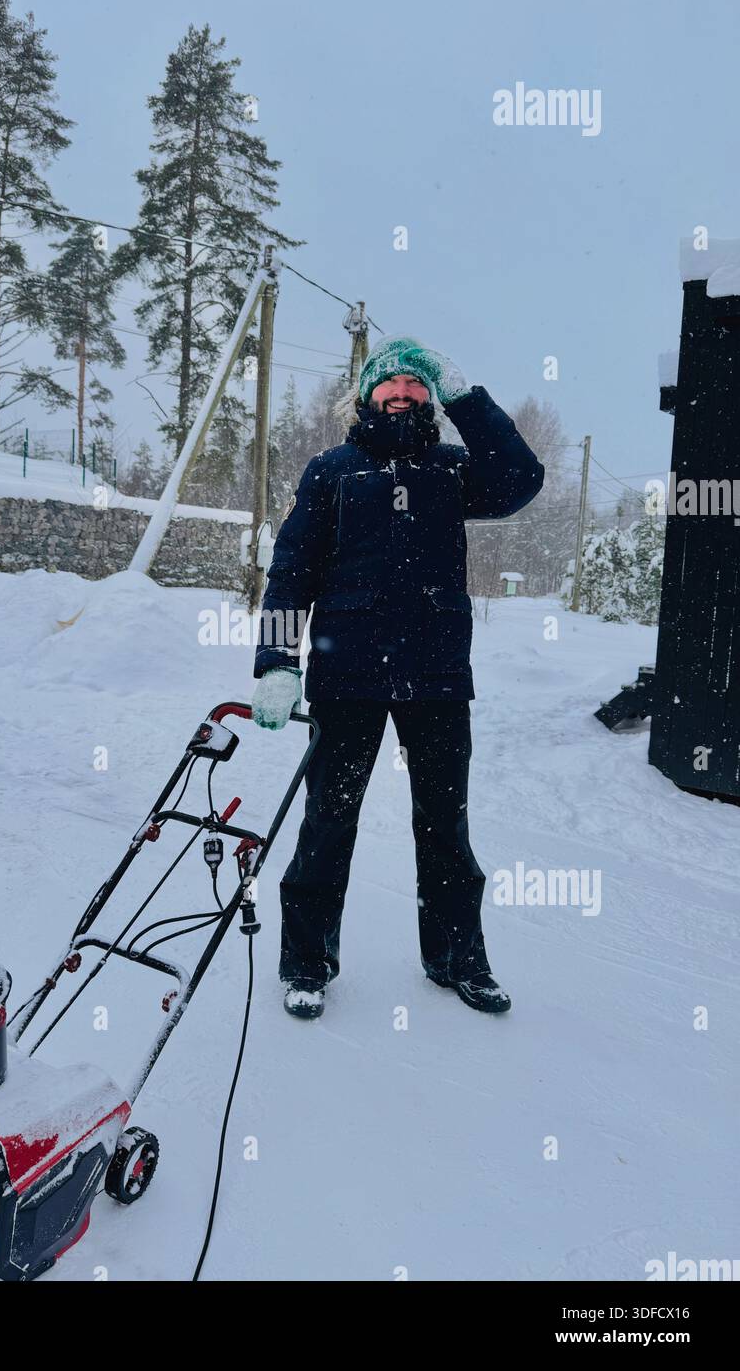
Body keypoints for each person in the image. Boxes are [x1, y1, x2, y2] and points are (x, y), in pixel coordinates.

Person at [250, 335, 544, 1020]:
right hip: (345, 674)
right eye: (391, 384)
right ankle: (306, 963)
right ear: (366, 396)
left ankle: (455, 960)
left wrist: (467, 397)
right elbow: (289, 570)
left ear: (429, 397)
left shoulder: (452, 469)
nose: (403, 393)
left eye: (417, 385)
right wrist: (273, 663)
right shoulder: (331, 471)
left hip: (436, 674)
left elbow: (520, 482)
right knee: (328, 821)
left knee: (446, 825)